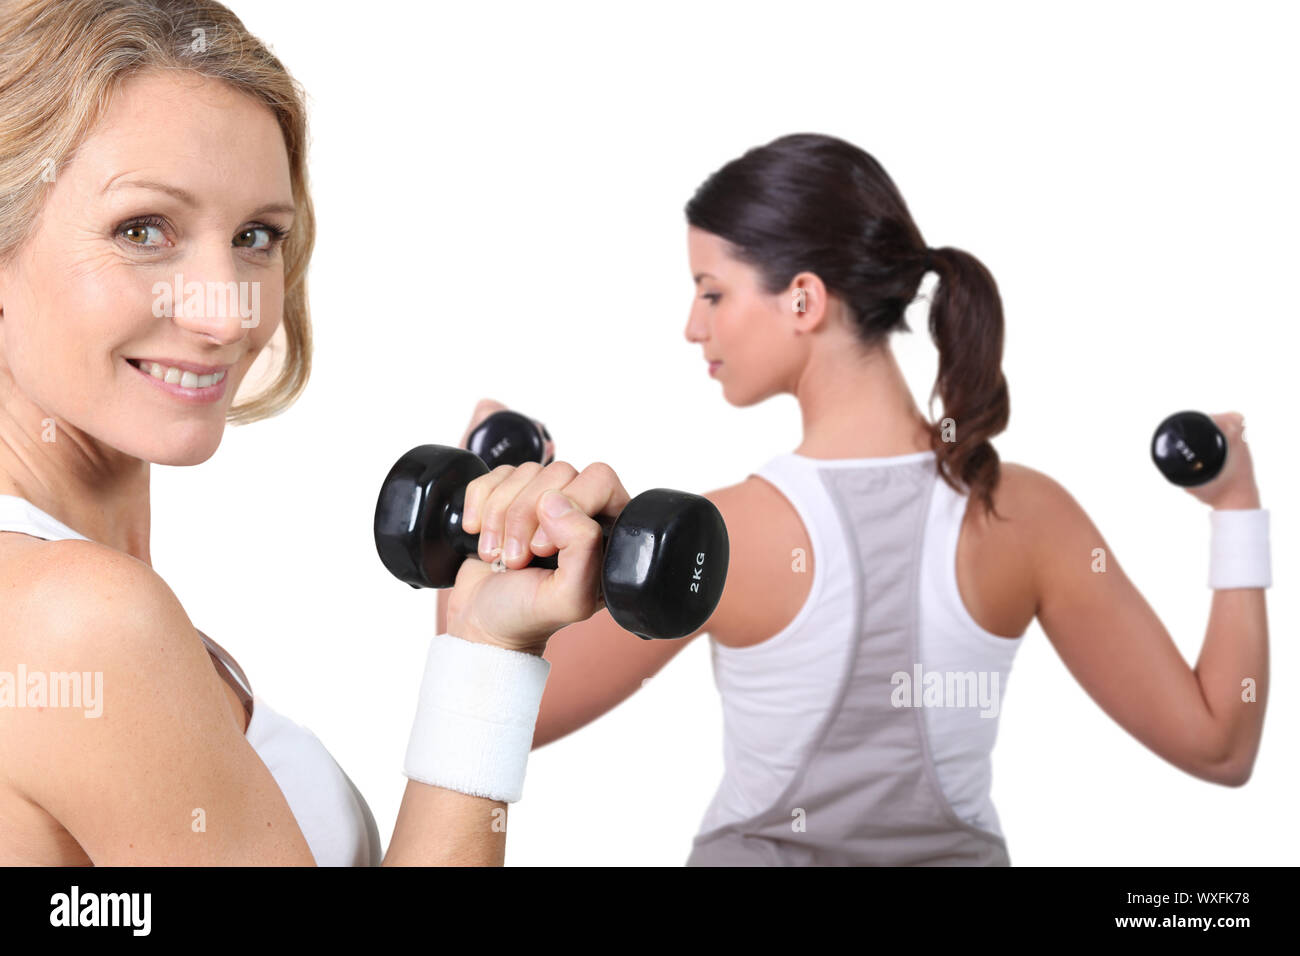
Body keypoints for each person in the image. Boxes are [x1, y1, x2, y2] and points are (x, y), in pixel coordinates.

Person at [480, 133, 1271, 865]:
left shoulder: (722, 533)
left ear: (804, 301)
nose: (693, 326)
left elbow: (491, 726)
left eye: (712, 292)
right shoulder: (1028, 514)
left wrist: (479, 513)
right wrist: (1236, 506)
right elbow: (1219, 745)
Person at [0, 0, 626, 867]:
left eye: (257, 236)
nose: (228, 314)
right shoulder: (80, 622)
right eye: (143, 230)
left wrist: (485, 642)